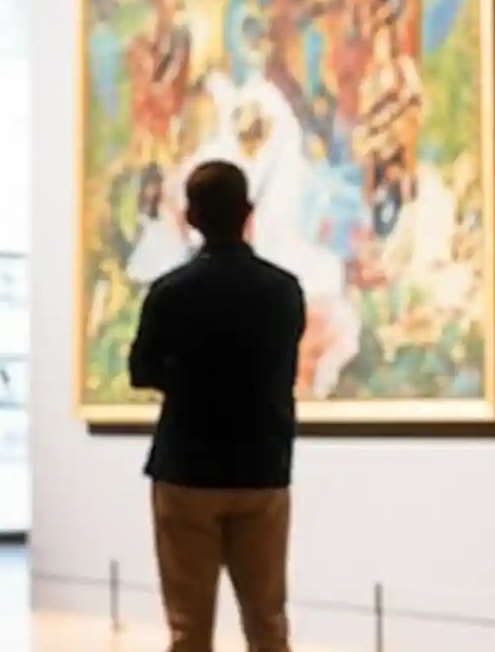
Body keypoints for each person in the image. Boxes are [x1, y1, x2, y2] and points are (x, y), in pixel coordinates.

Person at [129, 160, 305, 652]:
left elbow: (142, 370)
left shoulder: (170, 293)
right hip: (262, 467)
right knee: (268, 624)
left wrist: (187, 376)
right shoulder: (283, 291)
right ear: (247, 212)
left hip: (186, 469)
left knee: (188, 629)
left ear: (191, 216)